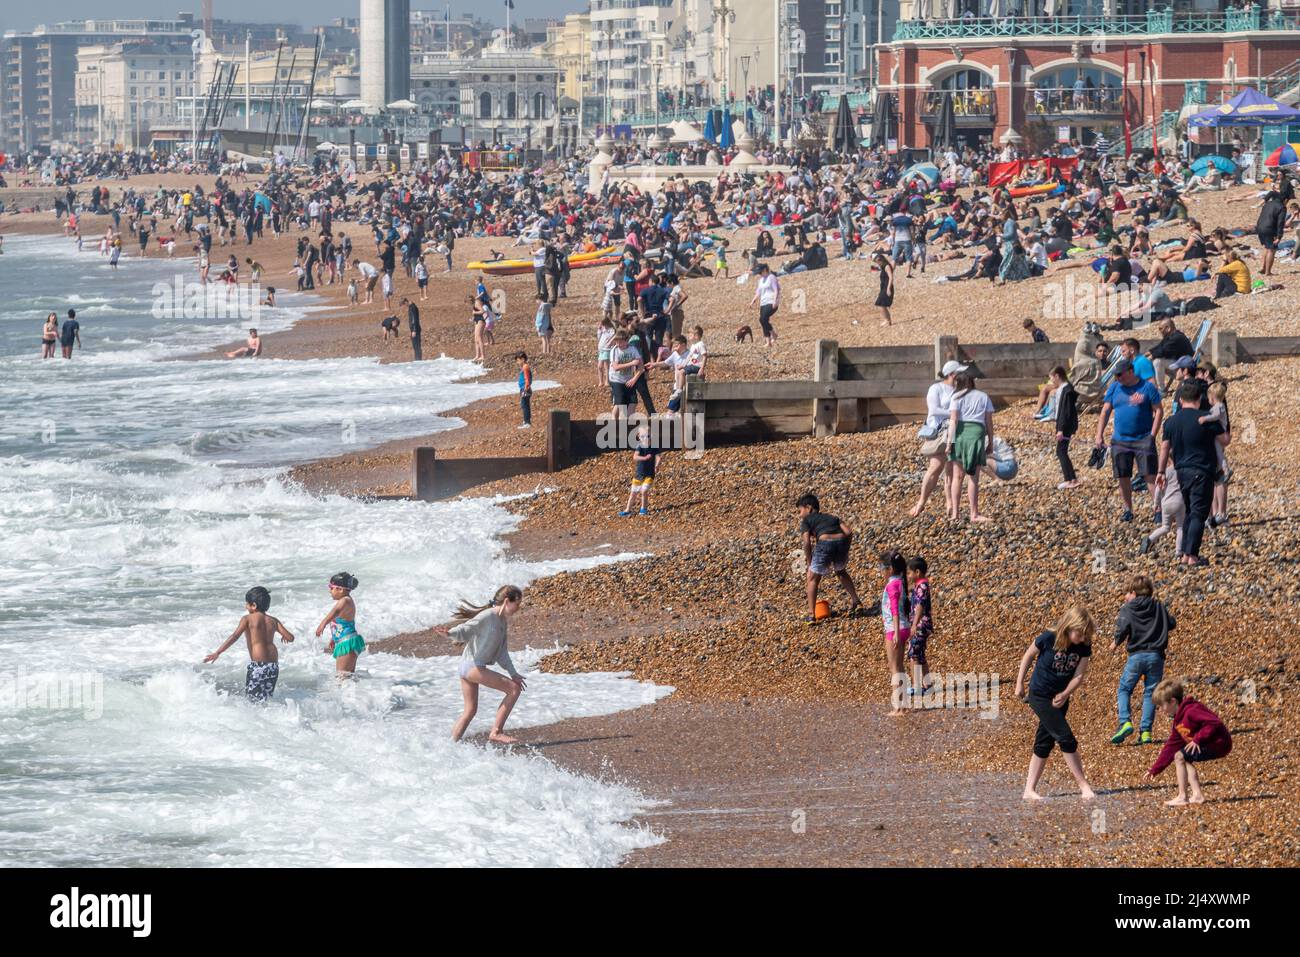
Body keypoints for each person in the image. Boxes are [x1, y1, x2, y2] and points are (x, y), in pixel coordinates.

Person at [1014, 606, 1098, 802]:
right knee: (1065, 737)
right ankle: (1083, 786)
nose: (1083, 637)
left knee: (1045, 741)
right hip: (1040, 695)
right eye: (1080, 632)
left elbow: (1079, 676)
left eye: (1086, 633)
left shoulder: (1084, 646)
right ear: (1069, 626)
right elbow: (1028, 656)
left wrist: (1066, 693)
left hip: (1061, 697)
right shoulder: (1048, 638)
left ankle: (1029, 790)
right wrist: (1019, 684)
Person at [434, 585, 527, 745]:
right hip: (472, 666)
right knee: (513, 689)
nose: (518, 608)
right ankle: (496, 732)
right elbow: (465, 630)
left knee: (470, 711)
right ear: (507, 601)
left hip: (468, 667)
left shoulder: (502, 622)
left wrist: (514, 674)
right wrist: (449, 633)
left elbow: (501, 653)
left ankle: (448, 747)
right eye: (517, 603)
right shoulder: (487, 616)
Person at [1157, 380, 1222, 566]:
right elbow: (1225, 439)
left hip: (1181, 472)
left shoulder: (1170, 422)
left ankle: (1186, 554)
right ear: (1199, 398)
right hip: (1201, 471)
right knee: (1198, 514)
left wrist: (1161, 471)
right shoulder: (1205, 418)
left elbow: (1163, 449)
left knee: (1189, 512)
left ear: (1181, 399)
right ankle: (1192, 556)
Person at [1092, 359, 1163, 523]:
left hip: (1143, 438)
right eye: (1116, 375)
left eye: (1120, 374)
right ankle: (1128, 509)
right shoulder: (1115, 387)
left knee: (1149, 476)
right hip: (1120, 440)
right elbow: (1105, 411)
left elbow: (1159, 410)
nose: (1118, 378)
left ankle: (1158, 509)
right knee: (1123, 476)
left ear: (1131, 371)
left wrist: (1152, 434)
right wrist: (1099, 435)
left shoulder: (1147, 387)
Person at [1144, 677, 1232, 806]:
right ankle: (1197, 795)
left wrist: (1197, 739)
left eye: (1161, 705)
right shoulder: (1178, 721)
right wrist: (1155, 769)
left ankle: (1182, 796)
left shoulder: (1191, 710)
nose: (1160, 710)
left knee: (1179, 756)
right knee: (1183, 757)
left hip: (1219, 743)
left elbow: (1214, 722)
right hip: (1209, 743)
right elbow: (1171, 746)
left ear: (1173, 701)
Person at [1111, 574, 1175, 746]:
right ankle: (1145, 732)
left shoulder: (1128, 608)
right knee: (1150, 693)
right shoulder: (1158, 605)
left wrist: (1116, 642)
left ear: (1134, 592)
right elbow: (1171, 623)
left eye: (1127, 593)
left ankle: (1125, 722)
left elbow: (1123, 627)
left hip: (1136, 656)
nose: (1125, 597)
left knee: (1124, 689)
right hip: (1156, 656)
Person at [203, 586, 296, 702]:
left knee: (253, 700)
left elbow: (234, 636)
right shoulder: (273, 620)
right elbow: (290, 637)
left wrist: (218, 652)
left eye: (247, 603)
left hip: (258, 665)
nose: (245, 606)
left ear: (254, 605)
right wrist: (283, 636)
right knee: (266, 698)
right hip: (273, 666)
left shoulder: (247, 619)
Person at [796, 493, 862, 623]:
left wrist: (810, 563)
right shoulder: (832, 517)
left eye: (800, 511)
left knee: (813, 579)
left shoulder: (807, 521)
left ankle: (811, 615)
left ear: (808, 508)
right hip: (841, 542)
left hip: (825, 543)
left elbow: (806, 543)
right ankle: (856, 601)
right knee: (841, 571)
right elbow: (848, 532)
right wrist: (845, 548)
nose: (800, 515)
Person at [911, 360, 964, 517]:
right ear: (952, 374)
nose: (963, 375)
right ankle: (921, 503)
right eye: (960, 372)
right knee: (936, 467)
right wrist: (955, 413)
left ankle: (950, 505)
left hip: (956, 430)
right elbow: (933, 410)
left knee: (951, 469)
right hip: (939, 432)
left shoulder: (961, 389)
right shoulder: (936, 388)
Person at [945, 373, 994, 523]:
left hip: (960, 434)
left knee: (957, 477)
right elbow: (989, 422)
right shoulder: (983, 396)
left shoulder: (956, 397)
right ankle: (974, 514)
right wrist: (990, 441)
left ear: (958, 384)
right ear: (972, 382)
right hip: (977, 433)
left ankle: (955, 513)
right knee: (973, 477)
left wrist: (949, 442)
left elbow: (953, 421)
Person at [880, 550, 911, 716]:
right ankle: (904, 705)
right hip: (903, 627)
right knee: (900, 667)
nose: (881, 570)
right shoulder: (900, 581)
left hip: (895, 629)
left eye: (882, 567)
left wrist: (897, 633)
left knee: (894, 668)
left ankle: (898, 707)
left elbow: (894, 610)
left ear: (890, 569)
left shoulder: (892, 584)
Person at [316, 572, 364, 675]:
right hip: (347, 640)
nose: (330, 591)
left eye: (331, 587)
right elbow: (340, 624)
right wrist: (334, 638)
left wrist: (322, 624)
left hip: (347, 642)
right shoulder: (345, 601)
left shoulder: (345, 601)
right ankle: (357, 691)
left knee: (342, 677)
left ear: (340, 589)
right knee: (347, 677)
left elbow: (334, 613)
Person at [905, 556, 933, 700]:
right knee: (920, 655)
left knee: (914, 653)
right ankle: (928, 686)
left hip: (921, 624)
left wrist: (914, 624)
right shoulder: (921, 584)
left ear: (917, 572)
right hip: (922, 624)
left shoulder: (922, 586)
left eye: (909, 573)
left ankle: (916, 686)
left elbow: (920, 606)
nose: (908, 576)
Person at [619, 424, 660, 517]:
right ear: (638, 436)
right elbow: (635, 457)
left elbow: (658, 457)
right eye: (643, 436)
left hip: (649, 474)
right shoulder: (640, 446)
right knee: (633, 493)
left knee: (644, 490)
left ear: (651, 435)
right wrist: (644, 458)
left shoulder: (653, 447)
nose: (645, 438)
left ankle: (643, 509)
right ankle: (628, 510)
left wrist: (657, 465)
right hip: (639, 474)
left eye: (648, 436)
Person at [1049, 365, 1079, 489]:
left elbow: (1065, 411)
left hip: (1065, 425)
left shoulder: (1065, 390)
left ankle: (1069, 480)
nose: (1052, 381)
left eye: (1052, 378)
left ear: (1057, 376)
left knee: (1061, 452)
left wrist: (1060, 429)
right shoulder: (1065, 388)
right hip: (1064, 424)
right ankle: (1073, 479)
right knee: (1062, 451)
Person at [750, 263, 780, 347]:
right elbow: (758, 291)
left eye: (760, 272)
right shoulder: (760, 280)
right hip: (763, 302)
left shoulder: (772, 277)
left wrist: (774, 301)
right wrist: (753, 300)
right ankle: (768, 341)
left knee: (762, 319)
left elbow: (776, 290)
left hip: (771, 301)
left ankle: (773, 334)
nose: (759, 274)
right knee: (763, 321)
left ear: (765, 270)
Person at [873, 251, 895, 327]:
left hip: (887, 287)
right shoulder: (883, 267)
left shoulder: (887, 266)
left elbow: (891, 278)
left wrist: (888, 288)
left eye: (878, 262)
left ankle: (887, 320)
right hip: (883, 287)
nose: (878, 264)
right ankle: (888, 321)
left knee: (879, 304)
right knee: (882, 304)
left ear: (881, 260)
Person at [516, 351, 533, 429]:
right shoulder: (524, 367)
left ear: (522, 359)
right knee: (525, 405)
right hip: (523, 388)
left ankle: (527, 422)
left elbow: (527, 378)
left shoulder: (525, 367)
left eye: (518, 360)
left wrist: (526, 388)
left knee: (524, 405)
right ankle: (526, 421)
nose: (517, 362)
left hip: (525, 389)